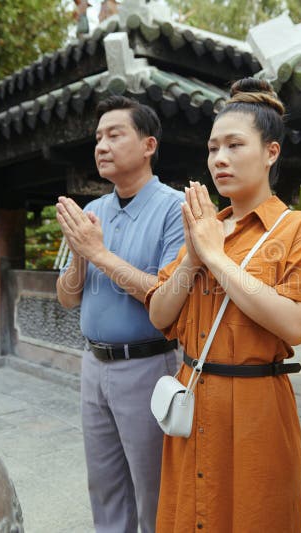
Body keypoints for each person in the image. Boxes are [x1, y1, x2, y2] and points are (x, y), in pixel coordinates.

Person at [146, 78, 301, 532]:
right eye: (213, 149)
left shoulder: (298, 229)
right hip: (192, 394)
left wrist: (215, 256)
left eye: (234, 145)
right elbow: (159, 315)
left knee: (255, 515)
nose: (219, 159)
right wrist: (194, 254)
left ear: (271, 152)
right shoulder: (205, 227)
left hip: (256, 407)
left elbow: (295, 325)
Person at [55, 95, 184, 533]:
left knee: (153, 488)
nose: (101, 146)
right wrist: (79, 258)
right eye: (97, 138)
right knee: (105, 485)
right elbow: (68, 297)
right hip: (93, 364)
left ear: (148, 145)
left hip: (148, 364)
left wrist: (99, 252)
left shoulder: (175, 209)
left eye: (114, 134)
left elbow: (167, 293)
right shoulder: (91, 213)